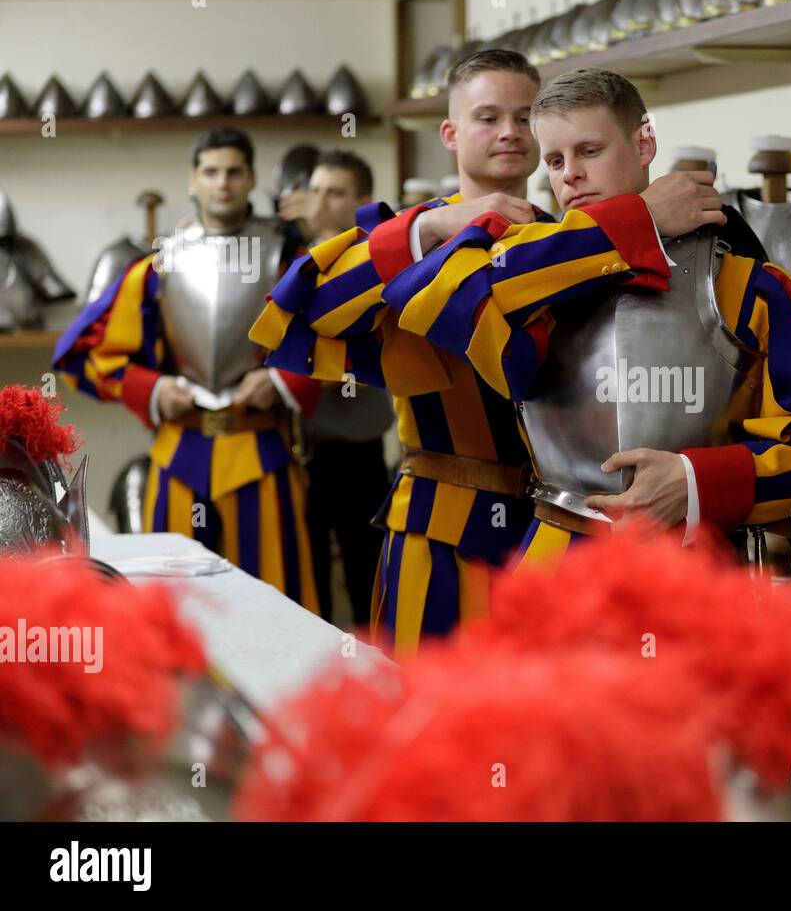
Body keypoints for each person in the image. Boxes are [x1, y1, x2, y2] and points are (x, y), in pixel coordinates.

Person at [377, 66, 791, 566]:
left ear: (644, 143)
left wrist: (699, 481)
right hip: (556, 568)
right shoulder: (530, 278)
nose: (571, 176)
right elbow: (417, 293)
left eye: (590, 150)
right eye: (556, 161)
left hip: (697, 568)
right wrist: (630, 223)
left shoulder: (744, 286)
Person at [251, 49, 549, 650]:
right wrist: (431, 228)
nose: (510, 133)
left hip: (552, 532)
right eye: (488, 117)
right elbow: (302, 315)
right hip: (438, 525)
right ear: (450, 133)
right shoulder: (406, 239)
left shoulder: (569, 237)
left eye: (526, 116)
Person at [53, 127, 320, 612]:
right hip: (180, 451)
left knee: (274, 604)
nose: (222, 183)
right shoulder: (160, 263)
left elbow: (334, 343)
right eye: (211, 171)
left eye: (234, 172)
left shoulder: (289, 257)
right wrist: (152, 389)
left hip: (260, 451)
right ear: (192, 180)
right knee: (178, 605)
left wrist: (281, 381)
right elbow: (87, 354)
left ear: (252, 178)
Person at [276, 150, 396, 629]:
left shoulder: (369, 260)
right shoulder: (300, 260)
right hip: (298, 446)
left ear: (363, 201)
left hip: (353, 446)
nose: (320, 203)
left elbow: (331, 338)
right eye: (317, 190)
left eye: (335, 193)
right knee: (304, 579)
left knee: (365, 570)